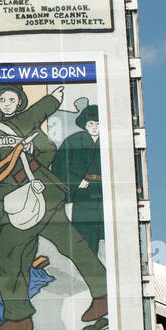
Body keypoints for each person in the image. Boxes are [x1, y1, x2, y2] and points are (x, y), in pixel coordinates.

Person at [0, 85, 107, 330]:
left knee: (4, 256)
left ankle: (19, 319)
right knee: (72, 243)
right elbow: (34, 114)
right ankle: (104, 293)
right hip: (45, 192)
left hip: (29, 198)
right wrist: (52, 99)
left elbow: (3, 179)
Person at [51, 104, 104, 258]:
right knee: (86, 236)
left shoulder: (111, 143)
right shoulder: (72, 141)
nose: (94, 127)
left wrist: (94, 178)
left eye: (98, 123)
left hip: (105, 196)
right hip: (82, 196)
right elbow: (59, 168)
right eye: (91, 124)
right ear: (85, 125)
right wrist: (77, 182)